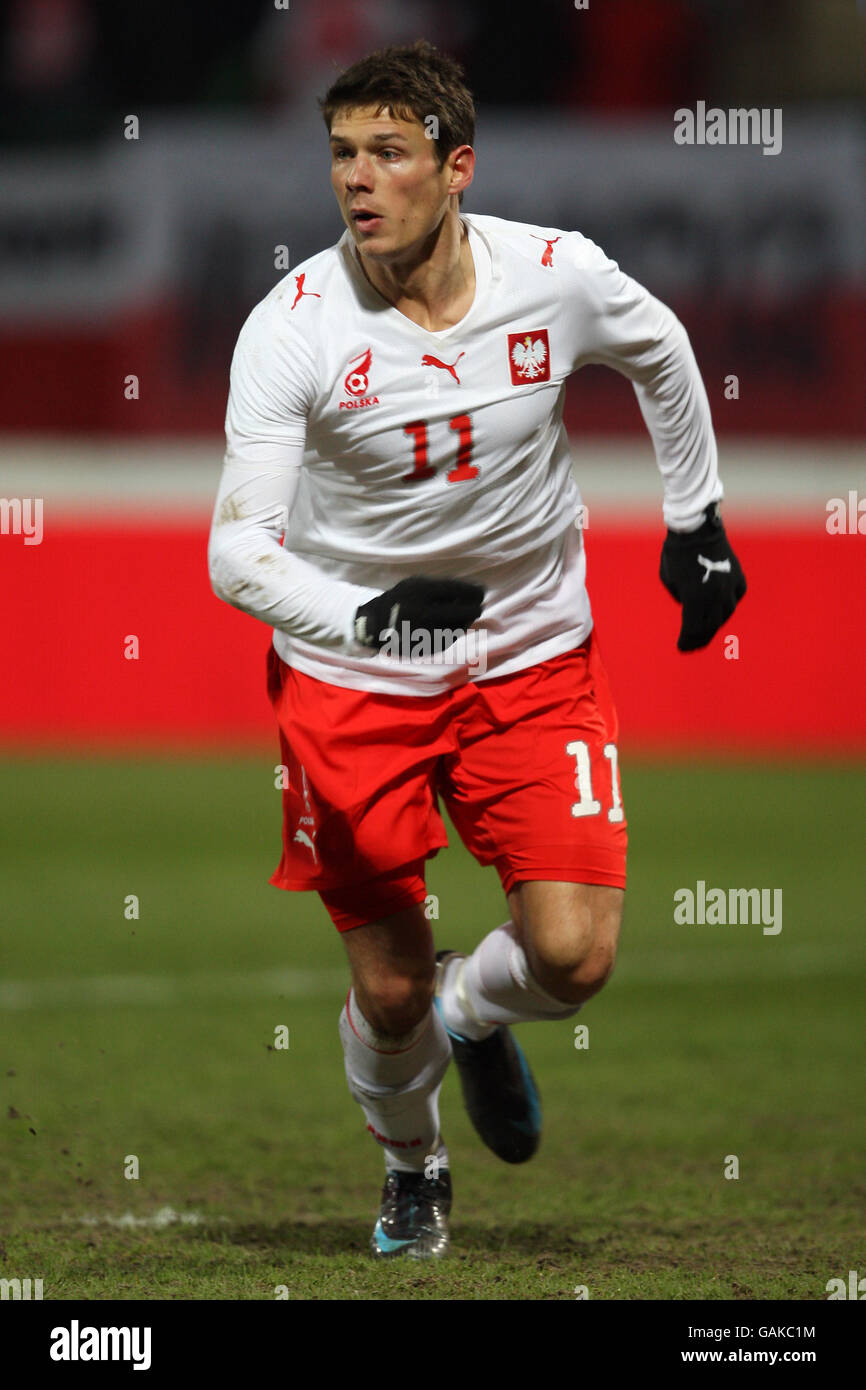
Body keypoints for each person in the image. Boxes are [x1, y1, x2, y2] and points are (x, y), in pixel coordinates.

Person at [207, 39, 746, 1260]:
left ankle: (470, 1007)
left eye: (388, 153)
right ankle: (413, 1167)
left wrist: (694, 517)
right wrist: (368, 618)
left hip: (530, 655)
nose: (357, 180)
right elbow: (235, 554)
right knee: (382, 989)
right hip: (356, 679)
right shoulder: (289, 330)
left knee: (572, 955)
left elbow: (658, 347)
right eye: (341, 154)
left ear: (455, 169)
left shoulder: (553, 277)